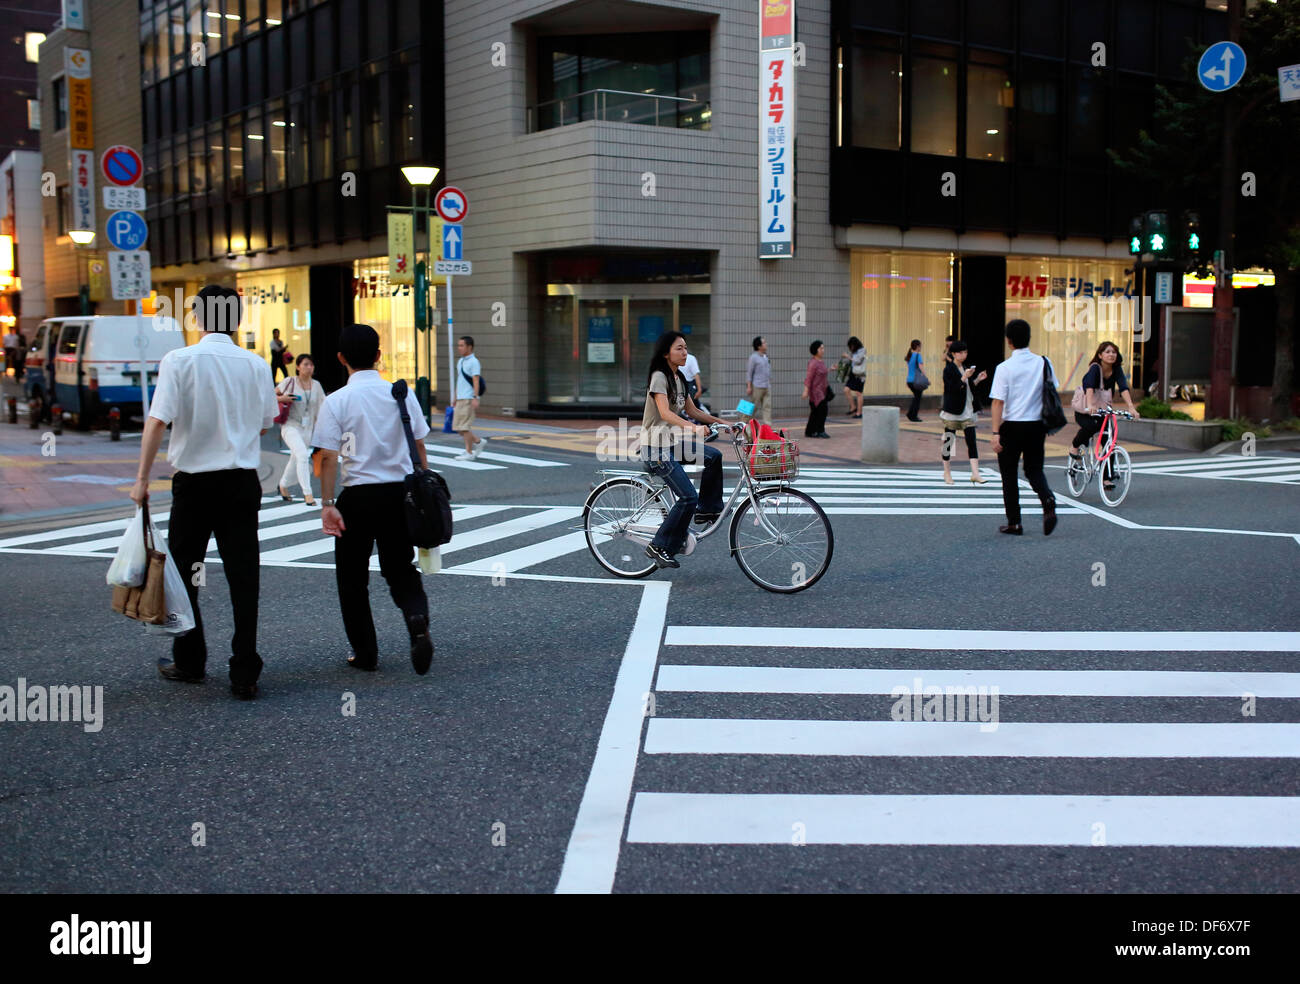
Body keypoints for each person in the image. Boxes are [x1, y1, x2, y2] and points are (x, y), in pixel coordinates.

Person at [130, 285, 278, 700]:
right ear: (237, 319)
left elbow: (158, 421)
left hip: (194, 484)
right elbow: (265, 424)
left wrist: (141, 479)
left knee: (185, 574)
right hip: (241, 483)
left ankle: (191, 660)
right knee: (243, 576)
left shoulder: (179, 360)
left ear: (196, 317)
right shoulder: (255, 364)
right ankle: (245, 669)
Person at [313, 323, 434, 675]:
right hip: (400, 494)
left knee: (352, 578)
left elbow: (329, 457)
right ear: (379, 356)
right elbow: (420, 444)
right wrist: (423, 493)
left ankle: (365, 653)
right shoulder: (400, 393)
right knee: (399, 568)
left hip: (358, 498)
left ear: (340, 358)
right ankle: (416, 616)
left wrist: (327, 504)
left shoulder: (337, 401)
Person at [640, 331, 732, 569]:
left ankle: (707, 510)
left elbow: (694, 411)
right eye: (679, 348)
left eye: (686, 347)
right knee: (688, 496)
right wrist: (693, 429)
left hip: (670, 444)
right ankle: (659, 545)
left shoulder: (679, 378)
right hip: (654, 448)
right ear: (666, 353)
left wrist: (722, 423)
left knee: (714, 456)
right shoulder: (659, 376)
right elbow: (665, 413)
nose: (685, 352)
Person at [989, 319, 1059, 537]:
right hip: (1037, 426)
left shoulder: (1004, 368)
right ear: (1029, 338)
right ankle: (1047, 499)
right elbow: (1052, 389)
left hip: (1012, 427)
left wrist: (994, 433)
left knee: (1009, 475)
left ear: (1009, 341)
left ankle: (1015, 523)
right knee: (1034, 469)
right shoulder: (1044, 362)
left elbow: (998, 402)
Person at [1069, 341, 1141, 492]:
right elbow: (1089, 386)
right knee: (1091, 426)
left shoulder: (1117, 369)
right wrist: (1090, 406)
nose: (1111, 355)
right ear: (1100, 355)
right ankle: (1075, 446)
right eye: (1107, 352)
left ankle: (1106, 478)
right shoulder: (1095, 368)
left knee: (1110, 440)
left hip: (1103, 410)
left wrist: (1131, 407)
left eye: (1114, 352)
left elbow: (1123, 387)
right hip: (1085, 410)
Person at [276, 353, 325, 504]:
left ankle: (283, 485)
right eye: (305, 364)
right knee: (303, 455)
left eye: (311, 365)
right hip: (290, 426)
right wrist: (282, 398)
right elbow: (269, 397)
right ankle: (307, 494)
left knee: (296, 458)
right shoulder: (289, 382)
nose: (309, 367)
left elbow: (323, 408)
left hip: (308, 428)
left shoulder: (316, 385)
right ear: (297, 367)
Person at [940, 340, 989, 485]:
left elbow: (967, 388)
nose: (964, 355)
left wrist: (977, 380)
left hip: (967, 410)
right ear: (954, 354)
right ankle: (947, 472)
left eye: (965, 352)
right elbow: (952, 389)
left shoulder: (965, 368)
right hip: (953, 411)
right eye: (961, 352)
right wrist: (964, 377)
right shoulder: (948, 369)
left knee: (972, 441)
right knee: (949, 441)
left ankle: (975, 473)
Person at [453, 334, 486, 460]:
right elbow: (459, 380)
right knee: (458, 427)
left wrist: (475, 397)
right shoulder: (460, 361)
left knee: (464, 427)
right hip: (461, 397)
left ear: (469, 347)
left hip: (468, 397)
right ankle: (478, 441)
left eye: (462, 345)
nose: (459, 348)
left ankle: (469, 452)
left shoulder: (474, 362)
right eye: (458, 345)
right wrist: (455, 396)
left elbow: (476, 380)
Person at [803, 340, 831, 438]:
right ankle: (820, 431)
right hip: (816, 392)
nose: (823, 350)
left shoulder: (821, 362)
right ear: (816, 350)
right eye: (821, 348)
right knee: (822, 411)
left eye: (823, 348)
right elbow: (809, 377)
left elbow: (822, 374)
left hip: (822, 391)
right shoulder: (813, 363)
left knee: (815, 413)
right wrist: (806, 391)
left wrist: (830, 369)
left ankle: (809, 431)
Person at [745, 336, 772, 425]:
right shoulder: (753, 357)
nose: (766, 344)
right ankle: (743, 421)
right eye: (764, 343)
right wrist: (749, 386)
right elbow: (749, 372)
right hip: (757, 386)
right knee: (752, 406)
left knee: (767, 407)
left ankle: (768, 426)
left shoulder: (765, 356)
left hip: (767, 385)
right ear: (759, 346)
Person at [842, 337, 866, 418]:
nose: (850, 348)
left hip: (860, 375)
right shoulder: (854, 352)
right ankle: (853, 407)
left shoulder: (862, 350)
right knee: (846, 390)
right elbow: (851, 362)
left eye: (851, 346)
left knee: (859, 393)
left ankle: (859, 413)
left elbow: (858, 361)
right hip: (853, 373)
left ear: (855, 344)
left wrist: (848, 356)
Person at [905, 339, 925, 421]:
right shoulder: (918, 355)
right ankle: (913, 416)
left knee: (916, 397)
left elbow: (910, 370)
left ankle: (910, 414)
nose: (921, 348)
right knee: (917, 398)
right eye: (920, 346)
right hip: (916, 381)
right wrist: (924, 377)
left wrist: (906, 381)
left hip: (910, 381)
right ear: (917, 347)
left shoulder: (909, 356)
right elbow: (921, 368)